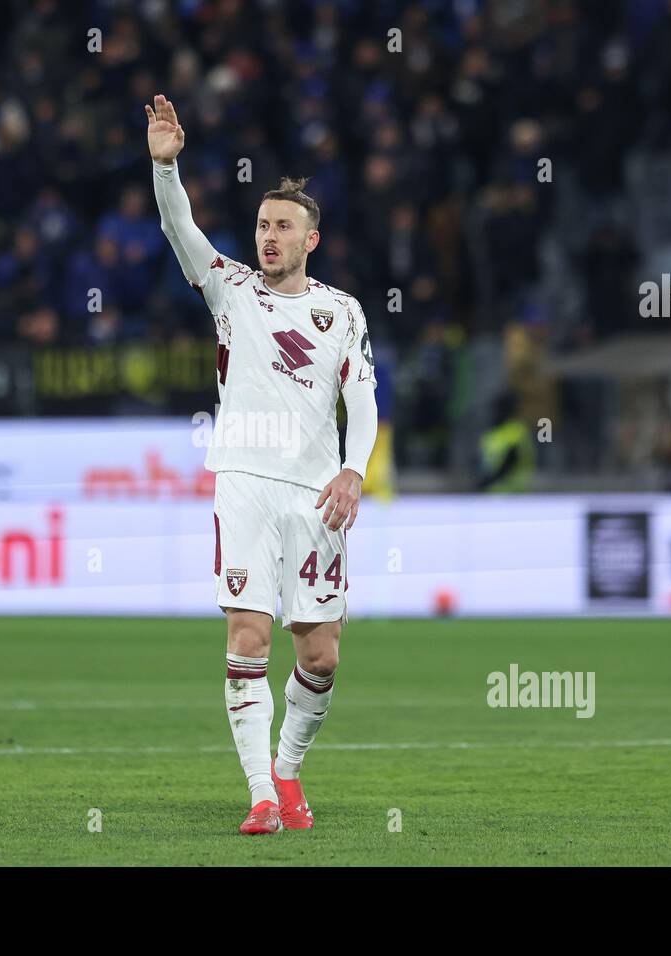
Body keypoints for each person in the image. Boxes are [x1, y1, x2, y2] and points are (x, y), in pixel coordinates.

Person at [146, 94, 379, 835]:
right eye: (261, 225)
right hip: (242, 482)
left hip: (317, 495)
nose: (268, 236)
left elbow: (365, 400)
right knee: (246, 637)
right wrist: (167, 167)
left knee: (322, 654)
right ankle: (260, 797)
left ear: (313, 236)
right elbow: (178, 226)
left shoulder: (343, 311)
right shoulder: (230, 288)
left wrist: (354, 468)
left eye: (283, 226)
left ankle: (288, 766)